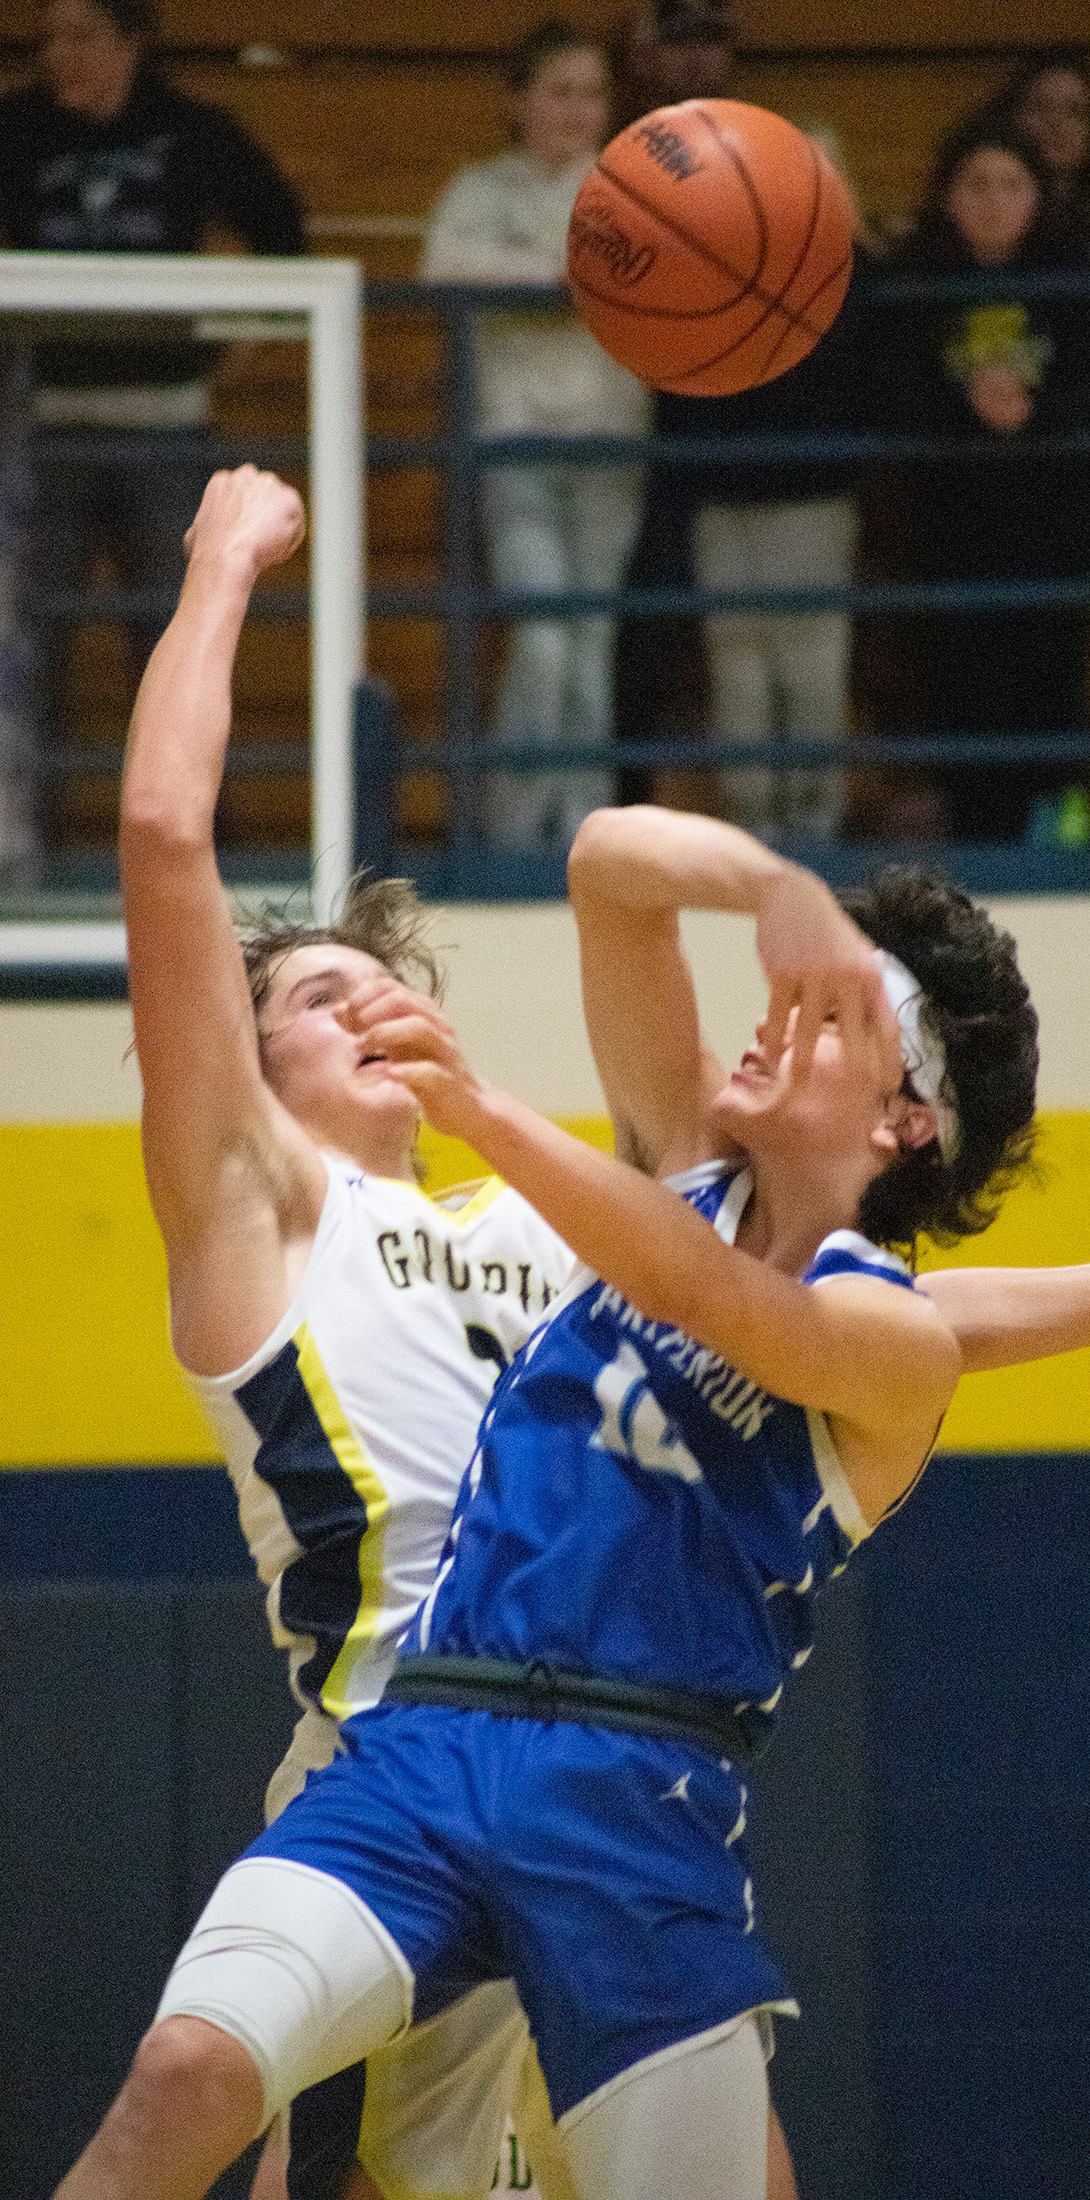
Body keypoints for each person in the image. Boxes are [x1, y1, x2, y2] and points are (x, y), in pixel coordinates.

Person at [52, 771, 1043, 2197]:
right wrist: (776, 888)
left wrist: (477, 1102)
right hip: (431, 1734)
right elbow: (604, 861)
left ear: (903, 1120)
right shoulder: (676, 1172)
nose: (773, 1014)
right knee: (195, 2073)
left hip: (638, 1786)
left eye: (830, 1017)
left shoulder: (884, 1337)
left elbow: (700, 1287)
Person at [108, 462, 580, 2200]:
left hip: (609, 1765)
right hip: (396, 1763)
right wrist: (222, 557)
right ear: (255, 1069)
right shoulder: (263, 1208)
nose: (369, 997)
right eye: (317, 994)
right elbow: (164, 835)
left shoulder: (543, 1217)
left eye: (390, 983)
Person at [0, 0, 305, 878]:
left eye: (80, 34)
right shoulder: (17, 129)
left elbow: (282, 235)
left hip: (166, 425)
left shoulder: (192, 129)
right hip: (44, 430)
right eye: (48, 35)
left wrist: (229, 347)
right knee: (32, 658)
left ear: (131, 37)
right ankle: (26, 861)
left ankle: (211, 866)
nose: (58, 53)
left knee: (182, 642)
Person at [420, 19, 648, 849]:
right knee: (544, 639)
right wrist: (551, 279)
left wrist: (569, 282)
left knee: (591, 644)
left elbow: (656, 282)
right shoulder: (480, 189)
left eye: (592, 93)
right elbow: (443, 267)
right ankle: (513, 839)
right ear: (519, 101)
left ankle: (584, 840)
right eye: (558, 91)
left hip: (612, 440)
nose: (576, 110)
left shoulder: (633, 189)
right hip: (512, 442)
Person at [867, 116, 1090, 843]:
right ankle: (975, 841)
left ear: (1039, 196)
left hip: (1051, 531)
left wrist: (1037, 410)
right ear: (949, 196)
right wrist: (967, 407)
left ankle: (1053, 839)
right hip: (950, 533)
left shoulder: (1069, 283)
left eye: (1012, 185)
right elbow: (893, 398)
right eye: (977, 184)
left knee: (1049, 691)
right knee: (961, 692)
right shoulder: (919, 287)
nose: (994, 201)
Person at [982, 48, 1090, 255]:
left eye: (1075, 111)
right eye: (1041, 107)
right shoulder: (991, 218)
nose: (1057, 123)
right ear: (1013, 115)